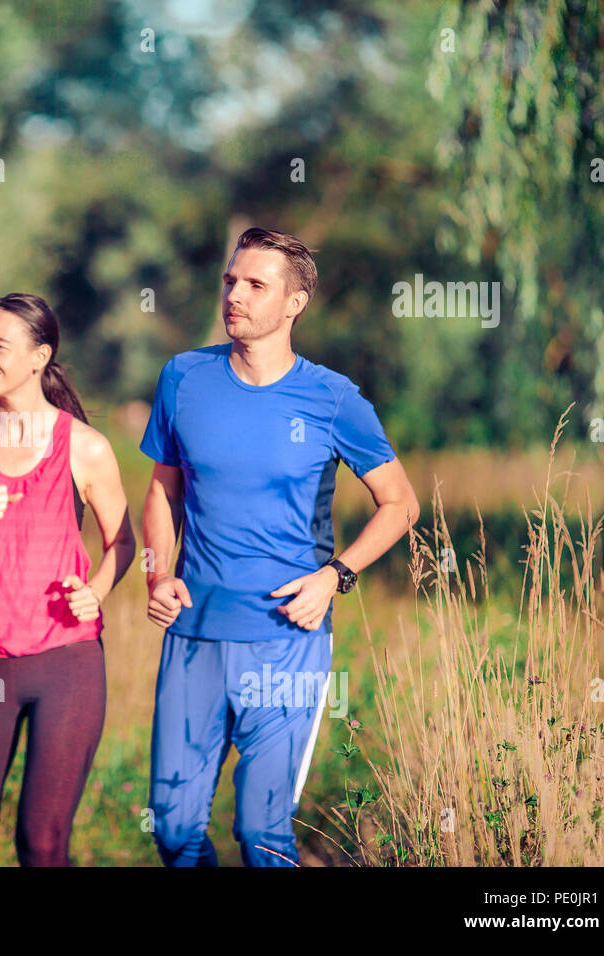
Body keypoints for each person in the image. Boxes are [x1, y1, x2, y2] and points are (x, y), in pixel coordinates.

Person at [139, 227, 420, 866]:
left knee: (262, 836)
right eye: (230, 280)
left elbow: (400, 503)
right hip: (193, 635)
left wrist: (334, 576)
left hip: (286, 641)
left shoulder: (333, 398)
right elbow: (162, 493)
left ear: (294, 303)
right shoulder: (184, 377)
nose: (234, 294)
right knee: (175, 832)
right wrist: (157, 577)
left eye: (255, 285)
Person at [0, 292, 136, 866]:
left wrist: (96, 592)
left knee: (41, 846)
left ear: (40, 356)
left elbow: (124, 543)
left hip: (65, 663)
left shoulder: (85, 448)